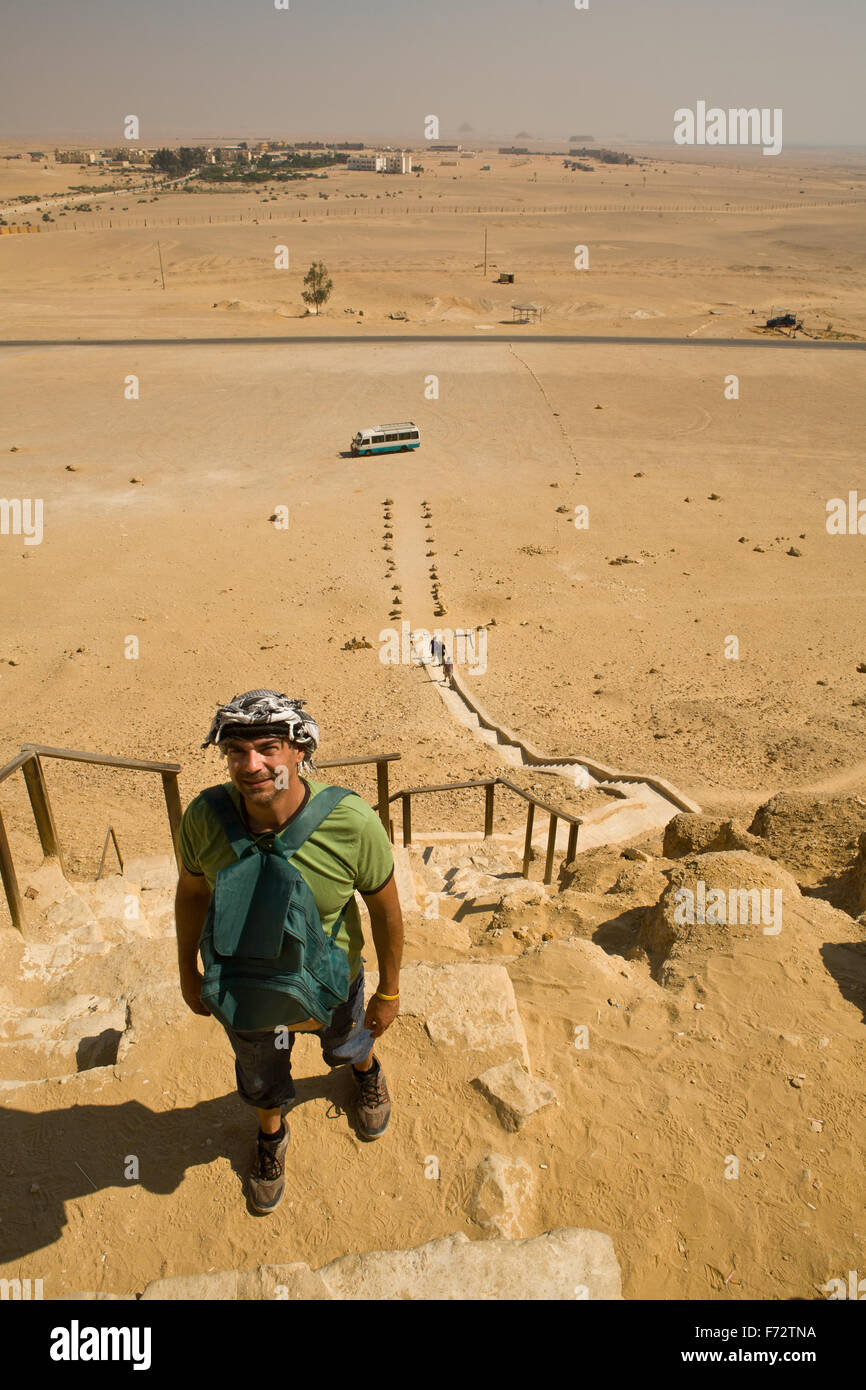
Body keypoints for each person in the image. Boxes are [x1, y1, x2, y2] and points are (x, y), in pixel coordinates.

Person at [174, 689, 403, 1214]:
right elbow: (191, 893)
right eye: (236, 750)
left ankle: (364, 1075)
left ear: (300, 750)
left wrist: (388, 992)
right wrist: (188, 971)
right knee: (260, 1076)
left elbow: (386, 911)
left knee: (347, 1041)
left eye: (268, 747)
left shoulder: (351, 822)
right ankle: (272, 1139)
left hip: (332, 980)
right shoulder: (204, 818)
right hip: (244, 987)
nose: (251, 765)